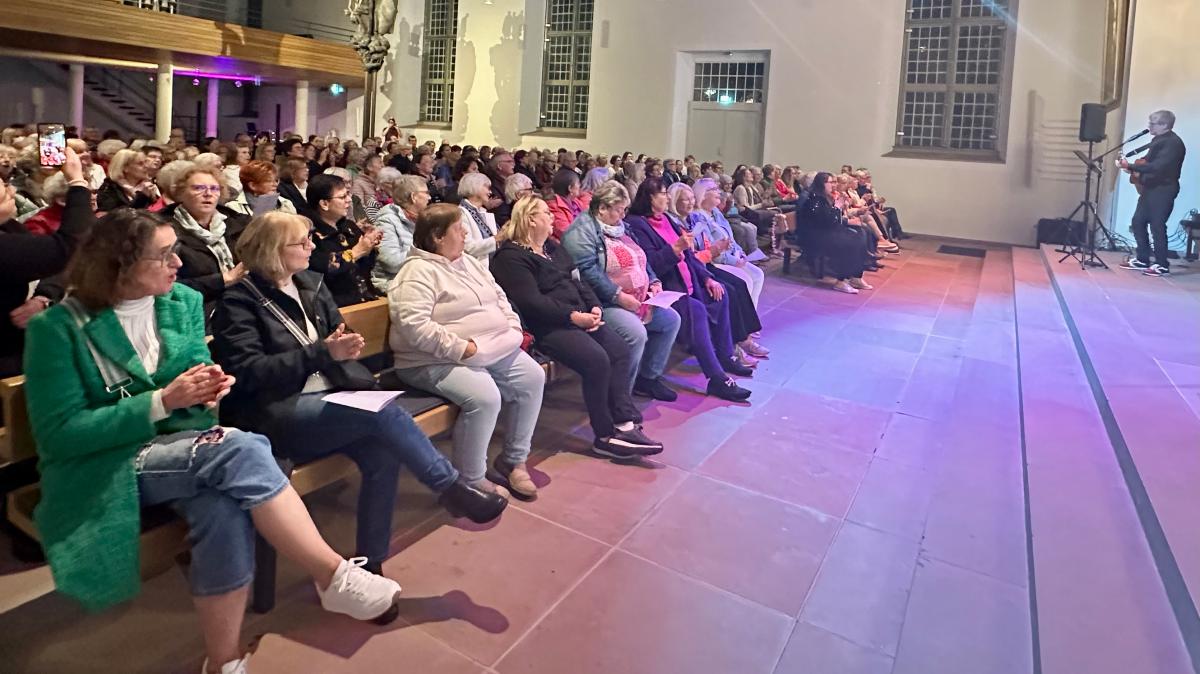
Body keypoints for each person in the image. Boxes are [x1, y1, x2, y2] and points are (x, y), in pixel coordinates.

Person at [23, 208, 405, 674]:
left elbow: (196, 374)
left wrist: (209, 388)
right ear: (117, 265)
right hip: (108, 460)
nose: (179, 264)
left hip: (185, 446)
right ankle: (332, 574)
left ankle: (223, 662)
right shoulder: (59, 328)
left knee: (223, 511)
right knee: (242, 447)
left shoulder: (179, 303)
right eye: (163, 255)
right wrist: (161, 402)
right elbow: (61, 435)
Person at [212, 211, 507, 572]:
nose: (311, 246)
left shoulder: (310, 284)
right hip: (276, 411)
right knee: (381, 414)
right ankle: (450, 488)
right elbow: (248, 373)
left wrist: (346, 345)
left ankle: (373, 562)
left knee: (382, 454)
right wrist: (324, 352)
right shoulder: (239, 302)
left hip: (330, 397)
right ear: (272, 250)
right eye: (301, 242)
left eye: (309, 238)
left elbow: (337, 334)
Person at [386, 204, 545, 499]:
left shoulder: (468, 262)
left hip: (492, 346)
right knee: (484, 397)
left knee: (532, 377)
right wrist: (464, 349)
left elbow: (499, 296)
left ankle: (514, 459)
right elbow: (414, 326)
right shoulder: (416, 273)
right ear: (436, 237)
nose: (465, 235)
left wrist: (512, 327)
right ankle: (471, 479)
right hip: (431, 359)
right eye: (459, 230)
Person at [491, 196, 664, 459]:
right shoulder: (511, 258)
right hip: (548, 326)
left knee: (620, 350)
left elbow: (579, 282)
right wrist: (573, 317)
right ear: (529, 219)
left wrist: (594, 307)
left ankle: (625, 424)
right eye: (545, 213)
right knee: (596, 360)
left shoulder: (552, 248)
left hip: (580, 315)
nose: (551, 218)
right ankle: (604, 435)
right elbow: (531, 303)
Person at [625, 179, 753, 401]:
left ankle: (725, 355)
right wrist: (675, 249)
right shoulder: (638, 224)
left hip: (689, 282)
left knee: (720, 293)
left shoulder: (666, 219)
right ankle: (717, 378)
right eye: (662, 194)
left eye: (666, 193)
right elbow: (650, 264)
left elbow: (690, 257)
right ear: (649, 198)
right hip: (666, 289)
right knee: (696, 310)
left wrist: (707, 278)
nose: (666, 198)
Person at [561, 180, 683, 402]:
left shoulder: (620, 226)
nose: (623, 215)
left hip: (635, 299)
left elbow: (640, 256)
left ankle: (648, 379)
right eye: (619, 210)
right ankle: (620, 397)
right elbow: (588, 273)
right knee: (636, 333)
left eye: (625, 209)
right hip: (602, 303)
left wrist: (654, 281)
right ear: (602, 208)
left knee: (670, 321)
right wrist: (618, 295)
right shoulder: (580, 232)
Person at [1, 148, 91, 377]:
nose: (12, 190)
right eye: (3, 191)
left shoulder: (10, 227)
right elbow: (68, 247)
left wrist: (44, 296)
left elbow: (54, 263)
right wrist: (78, 182)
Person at [165, 165, 250, 318]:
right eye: (198, 188)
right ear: (181, 193)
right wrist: (223, 280)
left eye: (214, 189)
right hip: (196, 311)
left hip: (243, 302)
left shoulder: (238, 223)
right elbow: (166, 287)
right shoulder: (163, 230)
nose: (208, 194)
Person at [1119, 109, 1187, 276]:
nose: (1149, 125)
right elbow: (1149, 161)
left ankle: (1162, 265)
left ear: (1164, 125)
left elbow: (1158, 166)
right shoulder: (1159, 139)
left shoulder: (1173, 143)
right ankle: (1143, 259)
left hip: (1164, 189)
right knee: (1138, 222)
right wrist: (1133, 169)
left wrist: (1131, 166)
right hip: (1151, 188)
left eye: (1152, 123)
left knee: (1157, 225)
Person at [688, 178, 766, 309]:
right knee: (745, 280)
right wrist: (734, 261)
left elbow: (730, 237)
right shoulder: (697, 217)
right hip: (716, 262)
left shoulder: (716, 212)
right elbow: (711, 249)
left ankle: (751, 318)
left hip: (732, 256)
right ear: (703, 194)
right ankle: (743, 322)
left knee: (758, 274)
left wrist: (740, 252)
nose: (719, 192)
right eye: (713, 189)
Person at [305, 173, 382, 306]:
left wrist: (370, 245)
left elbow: (367, 266)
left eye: (348, 194)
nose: (349, 200)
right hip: (335, 305)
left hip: (366, 297)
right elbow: (323, 268)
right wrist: (357, 252)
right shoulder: (308, 234)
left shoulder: (348, 226)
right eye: (342, 197)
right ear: (324, 203)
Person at [797, 172, 873, 294]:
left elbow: (832, 220)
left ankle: (856, 276)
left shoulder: (824, 196)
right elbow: (824, 221)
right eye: (831, 182)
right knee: (848, 241)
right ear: (822, 184)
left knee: (861, 234)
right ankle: (841, 281)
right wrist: (837, 207)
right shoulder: (813, 198)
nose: (834, 185)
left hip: (825, 231)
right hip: (814, 235)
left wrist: (839, 209)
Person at [372, 174, 431, 292]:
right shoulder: (387, 220)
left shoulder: (423, 218)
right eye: (426, 193)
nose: (429, 197)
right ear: (414, 197)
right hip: (394, 281)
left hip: (418, 277)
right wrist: (426, 253)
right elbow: (391, 262)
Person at [225, 160, 298, 218]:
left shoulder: (285, 203)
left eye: (276, 180)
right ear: (252, 185)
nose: (275, 184)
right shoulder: (232, 207)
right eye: (269, 181)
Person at [457, 172, 499, 259]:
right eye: (487, 187)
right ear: (475, 187)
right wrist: (497, 239)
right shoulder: (461, 213)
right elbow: (467, 248)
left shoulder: (483, 213)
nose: (490, 192)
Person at [548, 169, 590, 242]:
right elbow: (568, 235)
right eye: (578, 183)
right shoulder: (554, 207)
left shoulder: (575, 201)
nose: (580, 186)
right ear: (570, 188)